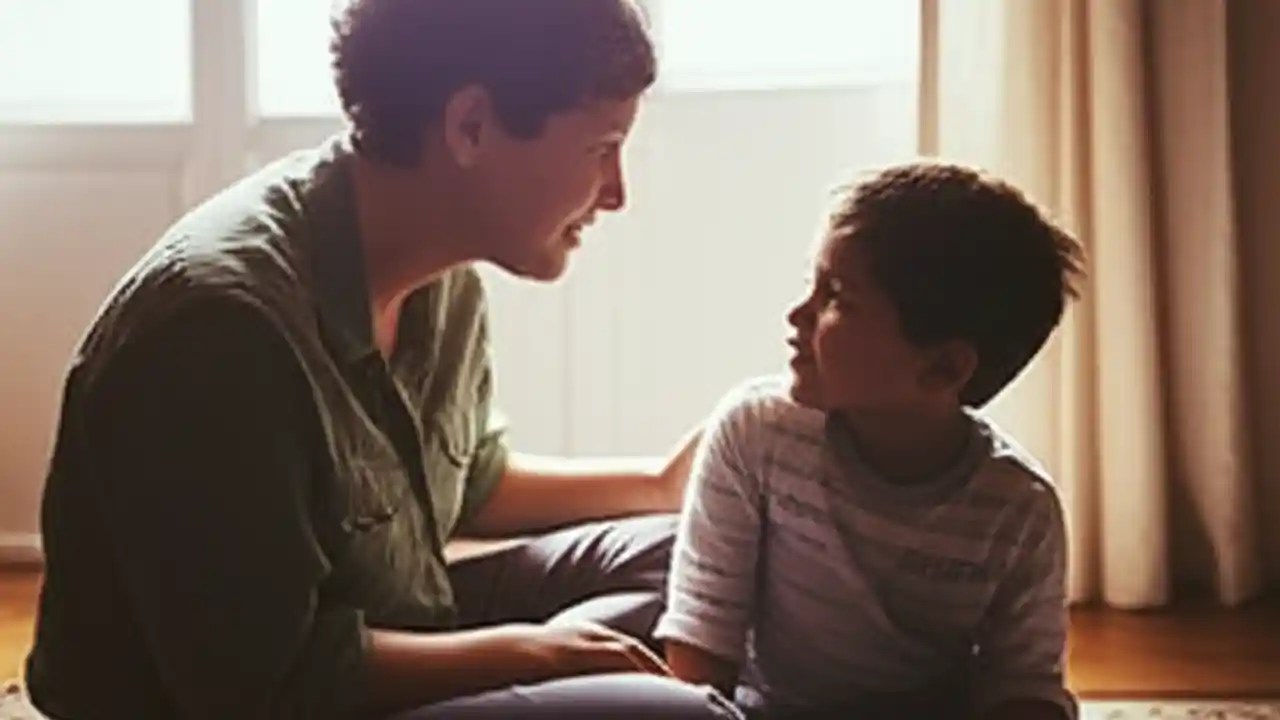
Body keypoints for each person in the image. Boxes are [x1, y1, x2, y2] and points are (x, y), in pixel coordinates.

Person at [24, 1, 739, 718]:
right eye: (600, 148)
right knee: (669, 711)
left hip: (394, 620)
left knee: (691, 559)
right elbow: (262, 680)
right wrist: (536, 656)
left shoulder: (441, 272)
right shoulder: (221, 333)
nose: (616, 193)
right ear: (470, 126)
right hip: (268, 695)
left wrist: (659, 482)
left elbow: (466, 483)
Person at [655, 162, 1085, 720]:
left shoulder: (1018, 508)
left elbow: (1024, 682)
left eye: (836, 297)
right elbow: (701, 644)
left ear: (943, 368)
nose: (797, 314)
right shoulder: (756, 433)